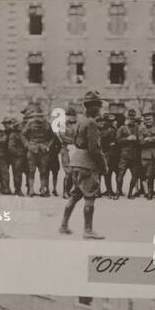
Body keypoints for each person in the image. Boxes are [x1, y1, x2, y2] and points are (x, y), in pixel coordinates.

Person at [59, 90, 108, 240]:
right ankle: (88, 230)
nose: (100, 108)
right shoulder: (92, 123)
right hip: (87, 164)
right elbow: (94, 149)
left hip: (76, 161)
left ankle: (64, 225)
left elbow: (74, 139)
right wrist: (103, 165)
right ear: (91, 107)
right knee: (90, 196)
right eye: (98, 105)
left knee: (75, 195)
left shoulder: (80, 120)